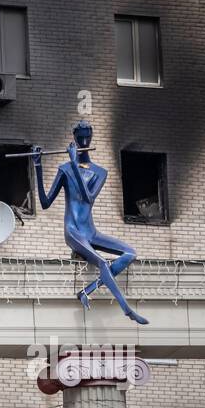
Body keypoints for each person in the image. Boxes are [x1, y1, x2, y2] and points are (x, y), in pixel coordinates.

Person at [33, 121, 148, 325]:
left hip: (91, 232)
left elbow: (88, 197)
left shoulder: (99, 172)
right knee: (103, 262)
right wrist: (38, 166)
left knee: (130, 253)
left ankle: (87, 290)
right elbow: (45, 203)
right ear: (75, 139)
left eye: (87, 138)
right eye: (80, 138)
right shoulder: (65, 169)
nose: (84, 141)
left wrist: (74, 164)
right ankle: (127, 309)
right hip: (73, 230)